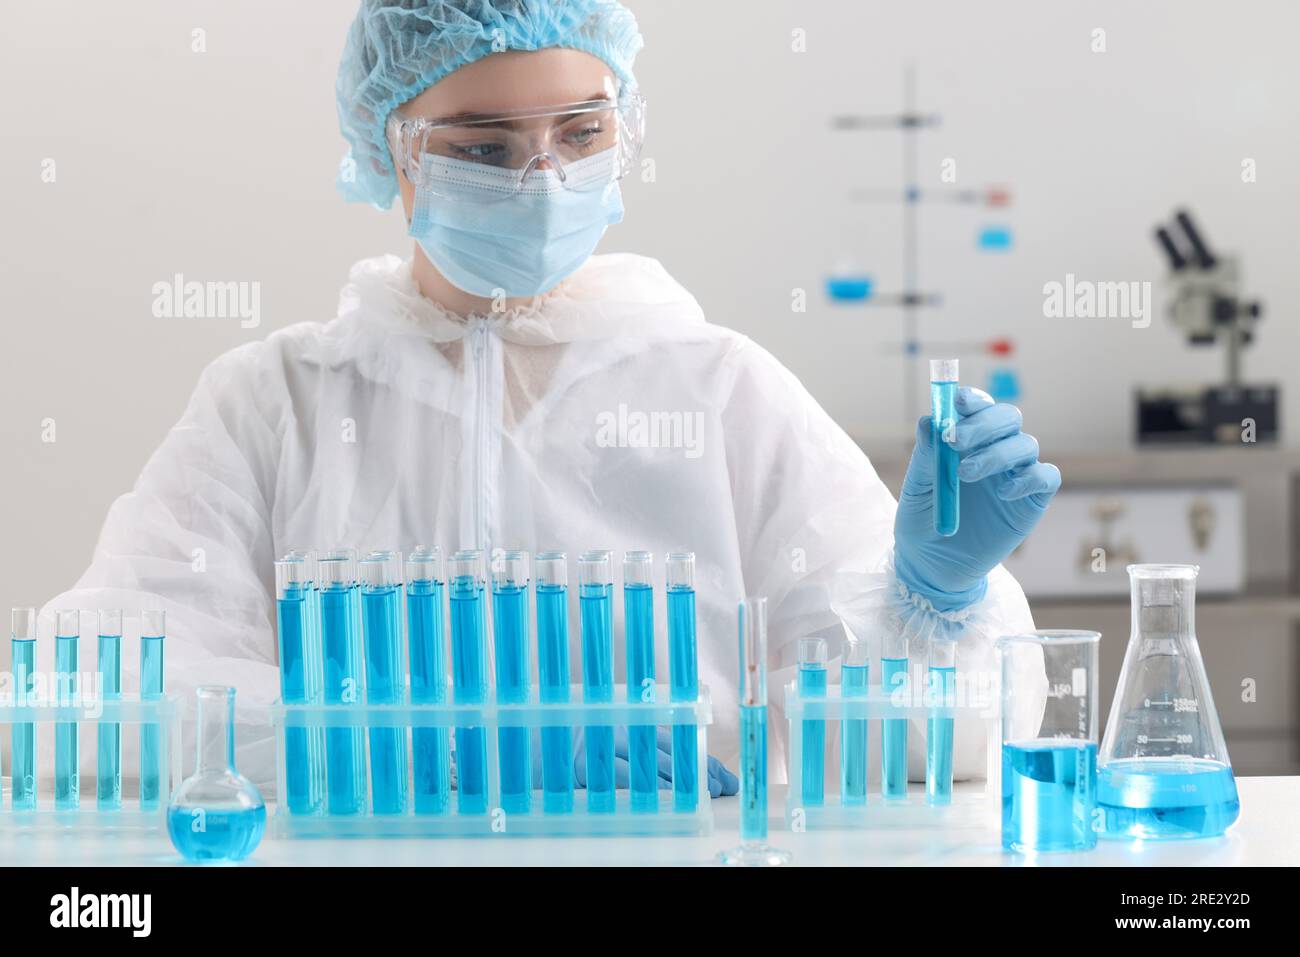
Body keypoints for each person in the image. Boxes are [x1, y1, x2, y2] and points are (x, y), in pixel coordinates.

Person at [43, 0, 1059, 797]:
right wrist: (425, 747)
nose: (541, 178)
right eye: (483, 147)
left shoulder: (718, 389)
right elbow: (91, 708)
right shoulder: (278, 404)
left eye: (579, 133)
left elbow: (947, 738)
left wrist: (934, 599)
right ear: (385, 154)